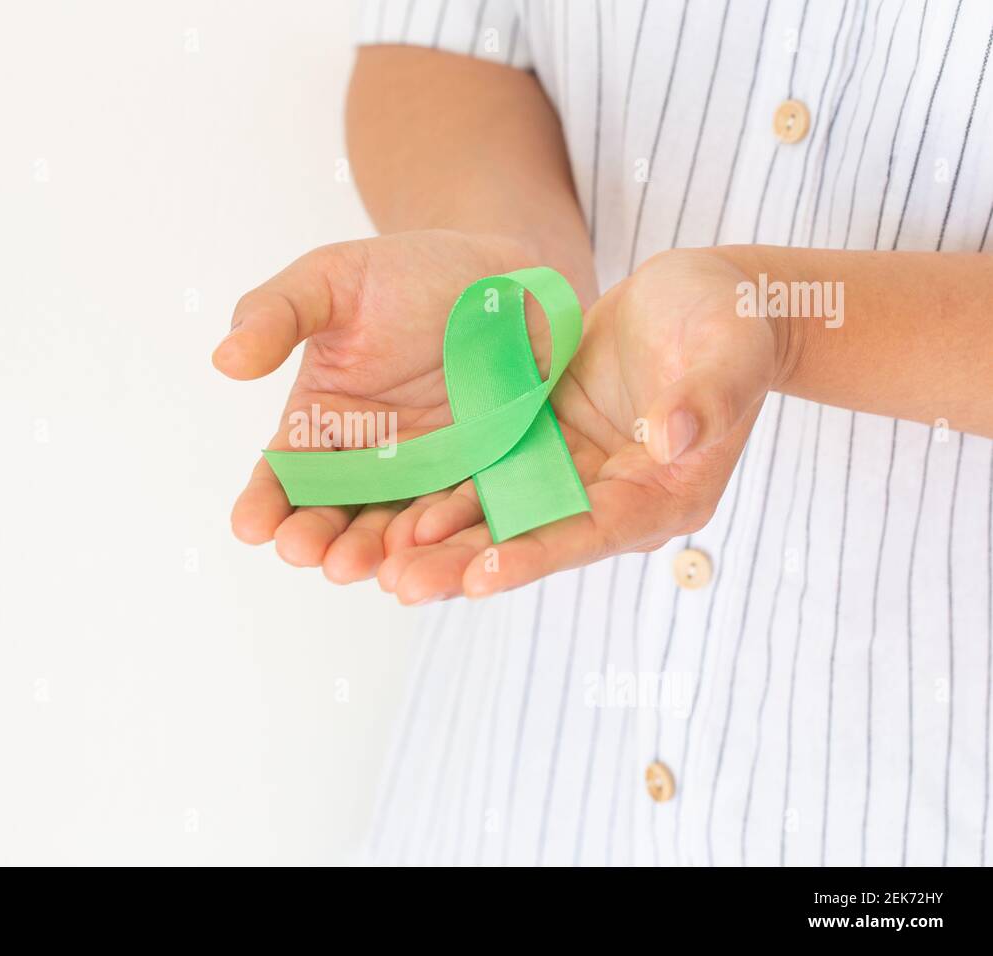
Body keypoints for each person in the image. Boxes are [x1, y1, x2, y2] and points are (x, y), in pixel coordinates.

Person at [212, 0, 993, 866]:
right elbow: (443, 40)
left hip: (915, 796)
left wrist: (786, 319)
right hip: (522, 771)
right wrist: (507, 265)